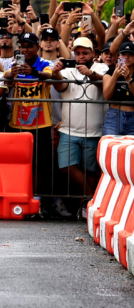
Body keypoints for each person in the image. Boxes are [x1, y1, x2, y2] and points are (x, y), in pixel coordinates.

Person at [3, 32, 58, 212]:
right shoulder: (15, 64)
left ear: (37, 47)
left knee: (40, 164)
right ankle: (18, 195)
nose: (25, 49)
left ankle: (38, 200)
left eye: (29, 46)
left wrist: (33, 72)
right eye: (23, 46)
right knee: (17, 162)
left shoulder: (45, 64)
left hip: (41, 123)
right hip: (17, 123)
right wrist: (12, 73)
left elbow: (48, 76)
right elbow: (6, 80)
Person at [51, 37, 107, 212]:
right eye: (78, 53)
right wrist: (56, 73)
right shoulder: (68, 69)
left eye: (85, 53)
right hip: (69, 130)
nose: (81, 56)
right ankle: (91, 200)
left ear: (93, 54)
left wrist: (91, 74)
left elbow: (105, 83)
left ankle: (87, 204)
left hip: (94, 131)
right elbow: (60, 87)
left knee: (90, 171)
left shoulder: (101, 67)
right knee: (66, 167)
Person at [102, 41, 134, 135]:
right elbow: (107, 96)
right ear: (118, 56)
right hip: (114, 116)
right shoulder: (110, 72)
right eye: (123, 54)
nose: (127, 57)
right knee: (110, 146)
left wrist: (129, 79)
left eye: (130, 54)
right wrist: (115, 77)